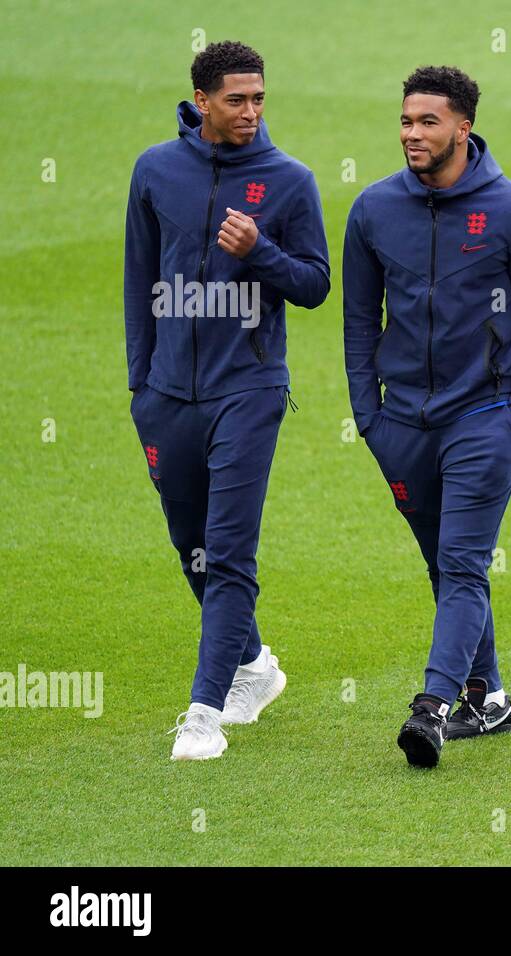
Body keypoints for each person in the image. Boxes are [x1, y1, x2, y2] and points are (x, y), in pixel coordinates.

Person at [342, 65, 511, 768]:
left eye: (427, 122)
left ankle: (432, 708)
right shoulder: (374, 210)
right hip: (401, 426)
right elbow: (357, 319)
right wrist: (369, 417)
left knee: (463, 565)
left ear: (463, 127)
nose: (412, 133)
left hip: (484, 420)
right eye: (406, 120)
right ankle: (488, 698)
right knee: (447, 570)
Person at [124, 41, 330, 760]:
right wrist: (139, 388)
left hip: (249, 389)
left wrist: (260, 253)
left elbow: (313, 285)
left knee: (231, 553)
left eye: (260, 99)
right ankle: (254, 667)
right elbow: (138, 281)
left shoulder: (289, 181)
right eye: (237, 100)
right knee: (195, 550)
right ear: (202, 101)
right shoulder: (155, 170)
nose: (251, 112)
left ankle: (204, 715)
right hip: (167, 397)